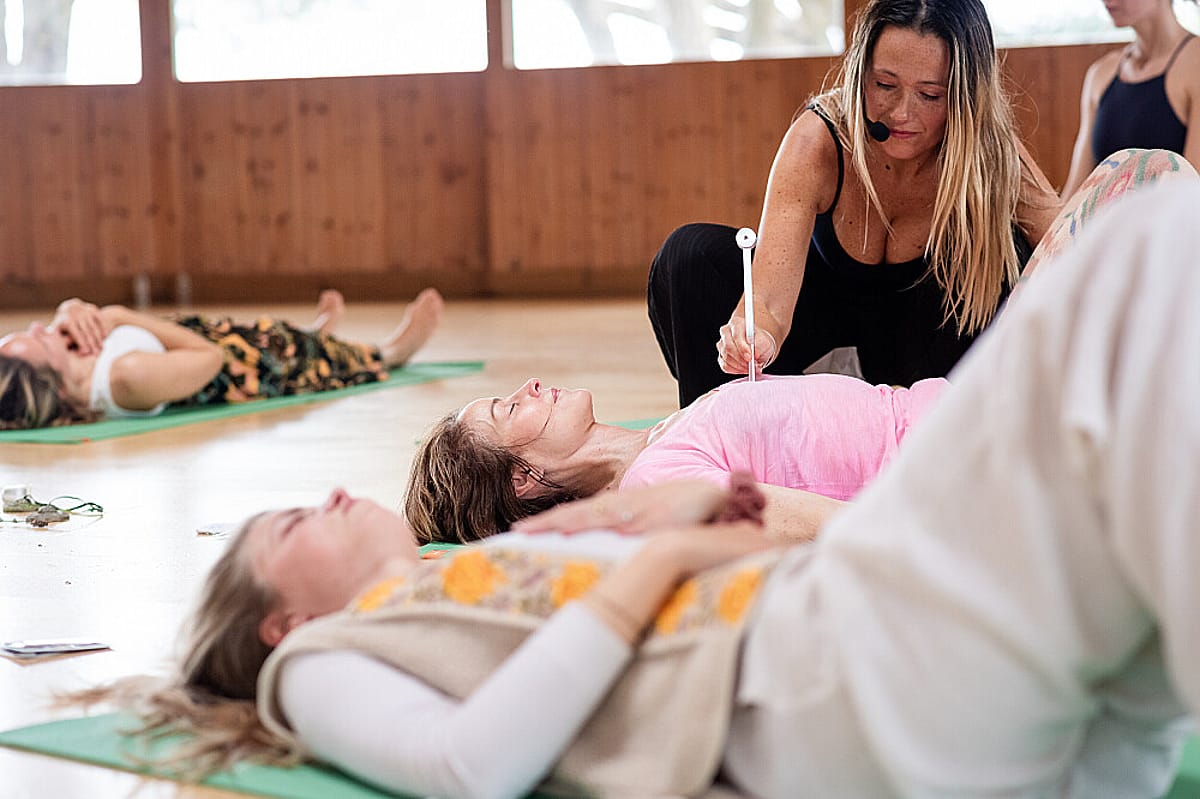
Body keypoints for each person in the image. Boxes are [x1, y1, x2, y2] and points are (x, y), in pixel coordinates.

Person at [70, 180, 1200, 799]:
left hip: (893, 673)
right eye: (289, 523)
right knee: (1147, 252)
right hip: (821, 682)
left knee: (1155, 264)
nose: (320, 495)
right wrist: (670, 543)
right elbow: (473, 767)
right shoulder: (317, 666)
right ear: (285, 618)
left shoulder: (477, 573)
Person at [648, 0, 1062, 407]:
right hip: (819, 352)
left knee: (1019, 255)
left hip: (932, 368)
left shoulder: (989, 152)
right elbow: (769, 303)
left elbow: (1079, 244)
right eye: (884, 86)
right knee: (689, 255)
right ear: (860, 72)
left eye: (930, 95)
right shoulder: (819, 138)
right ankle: (720, 451)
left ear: (965, 96)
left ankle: (953, 440)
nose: (902, 113)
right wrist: (751, 335)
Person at [404, 371, 948, 545]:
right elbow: (837, 529)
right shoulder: (655, 484)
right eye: (508, 408)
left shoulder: (654, 443)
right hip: (951, 459)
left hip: (951, 413)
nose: (530, 386)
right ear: (522, 478)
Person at [0, 288, 444, 429]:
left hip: (217, 338)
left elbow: (62, 329)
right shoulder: (128, 378)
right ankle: (391, 351)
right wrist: (118, 316)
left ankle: (315, 334)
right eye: (37, 341)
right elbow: (210, 358)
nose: (42, 329)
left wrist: (69, 309)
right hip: (245, 371)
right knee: (295, 351)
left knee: (279, 333)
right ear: (53, 384)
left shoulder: (70, 357)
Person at [1061, 0, 1199, 200]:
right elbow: (1073, 198)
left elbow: (1192, 199)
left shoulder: (1195, 65)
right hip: (1104, 229)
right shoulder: (1100, 74)